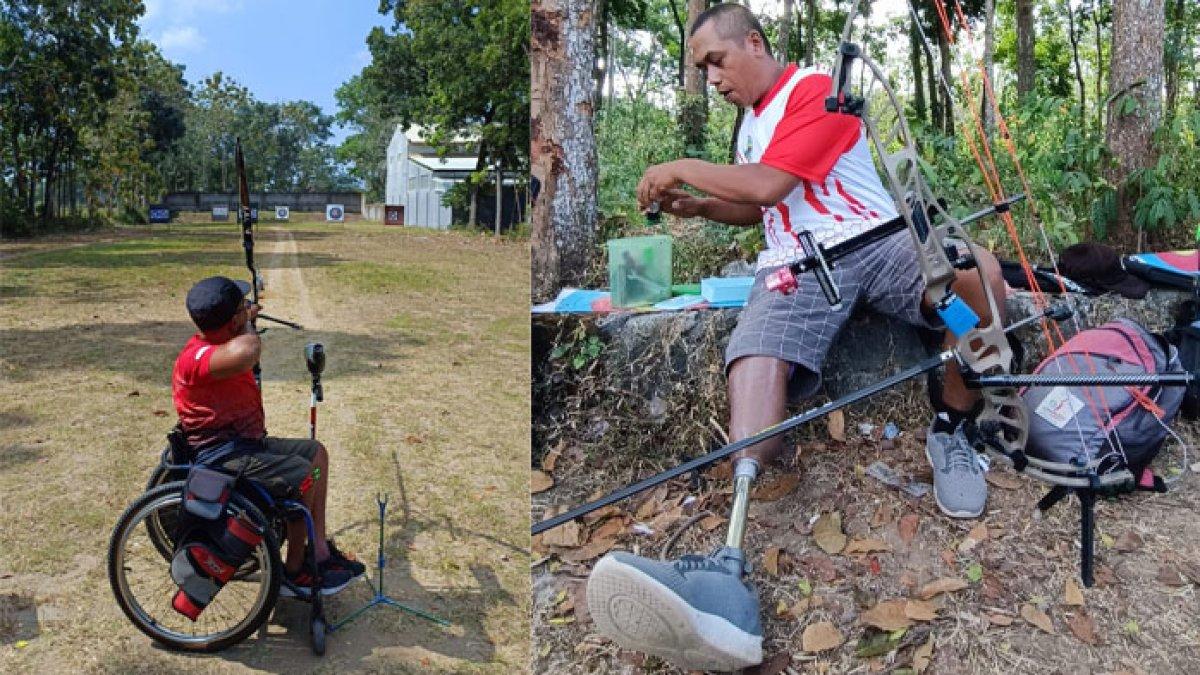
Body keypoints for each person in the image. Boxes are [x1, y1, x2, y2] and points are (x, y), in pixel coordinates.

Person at [588, 4, 1007, 670]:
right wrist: (701, 205)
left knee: (970, 283)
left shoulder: (816, 90)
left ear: (753, 43)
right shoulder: (751, 126)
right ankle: (727, 556)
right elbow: (759, 204)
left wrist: (681, 166)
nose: (711, 78)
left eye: (715, 62)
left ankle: (954, 424)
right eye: (701, 69)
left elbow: (773, 181)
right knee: (755, 359)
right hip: (795, 266)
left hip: (879, 244)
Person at [173, 275, 365, 596]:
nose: (247, 308)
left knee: (317, 455)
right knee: (306, 476)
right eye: (241, 307)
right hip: (224, 456)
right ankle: (294, 570)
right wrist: (247, 323)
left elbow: (241, 346)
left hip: (243, 445)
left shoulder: (220, 342)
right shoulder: (198, 357)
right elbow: (249, 351)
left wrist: (241, 318)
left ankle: (317, 551)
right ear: (233, 320)